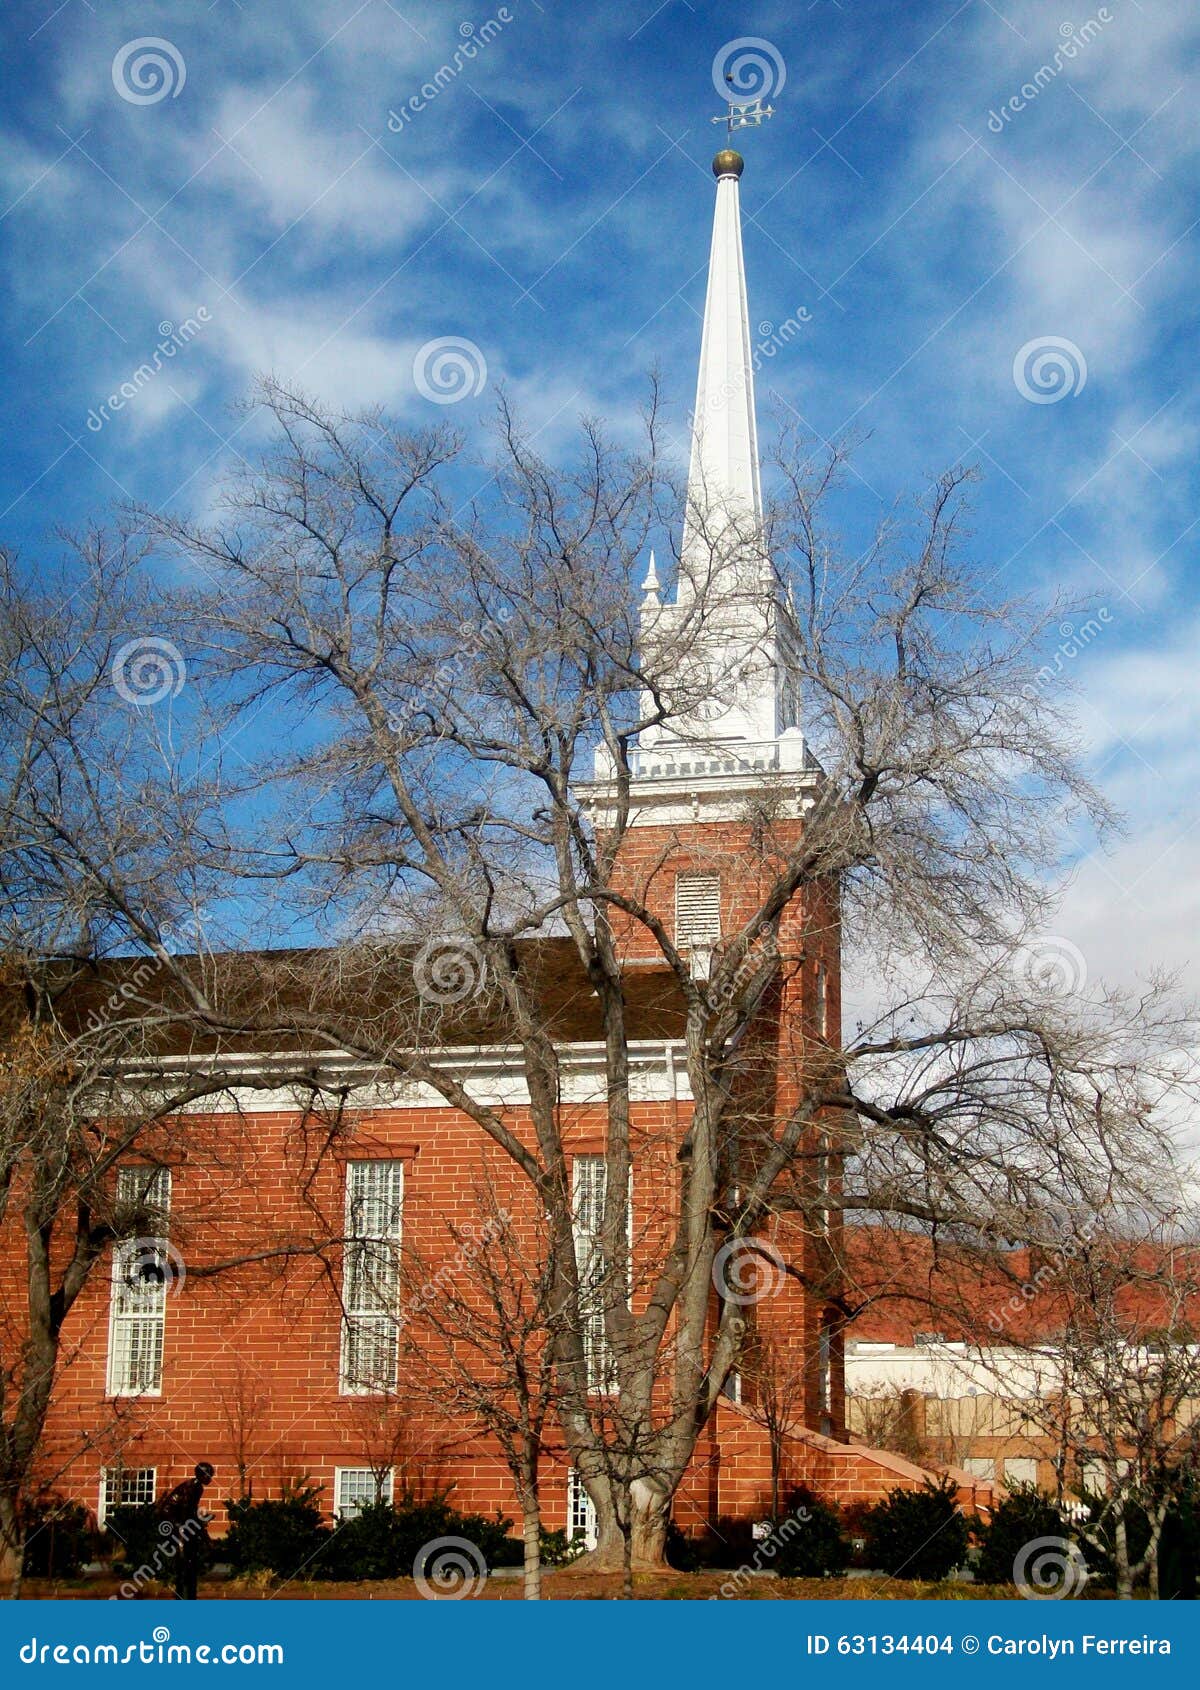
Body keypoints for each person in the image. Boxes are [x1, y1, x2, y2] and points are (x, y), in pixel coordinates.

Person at [157, 1462, 215, 1599]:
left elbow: (191, 1511)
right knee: (184, 1562)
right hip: (174, 1522)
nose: (210, 1479)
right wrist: (183, 1528)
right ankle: (183, 1597)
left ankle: (188, 1595)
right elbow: (183, 1510)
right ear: (201, 1475)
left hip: (182, 1523)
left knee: (189, 1562)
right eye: (208, 1475)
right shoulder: (192, 1487)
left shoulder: (197, 1487)